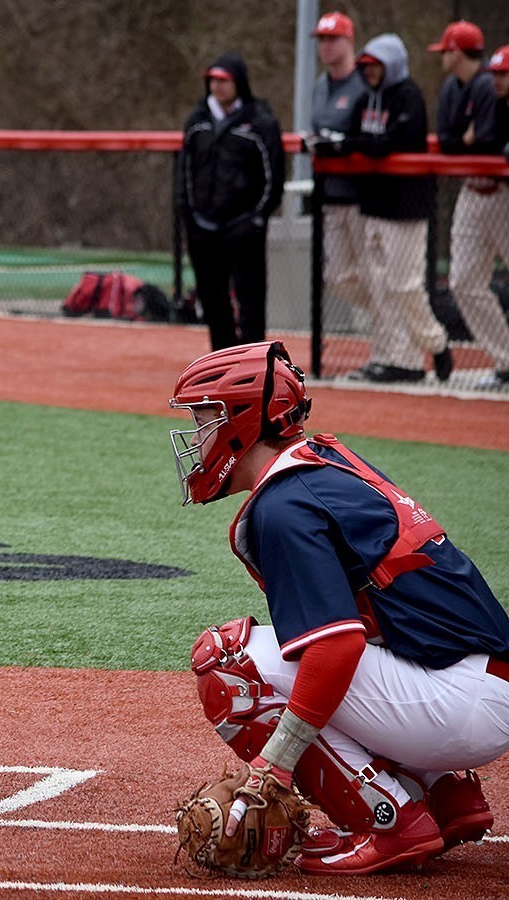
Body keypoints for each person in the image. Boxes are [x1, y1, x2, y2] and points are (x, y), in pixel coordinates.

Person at [169, 340, 509, 875]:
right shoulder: (323, 461)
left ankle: (390, 821)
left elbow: (337, 646)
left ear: (240, 421)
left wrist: (274, 765)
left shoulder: (283, 504)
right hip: (472, 682)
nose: (197, 436)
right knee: (330, 644)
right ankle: (444, 794)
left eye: (205, 419)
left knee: (230, 662)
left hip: (457, 701)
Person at [314, 34, 454, 383]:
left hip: (405, 207)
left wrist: (349, 144)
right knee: (379, 287)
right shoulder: (367, 97)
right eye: (365, 66)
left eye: (375, 66)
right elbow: (357, 138)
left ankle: (436, 343)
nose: (369, 72)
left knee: (403, 285)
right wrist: (338, 144)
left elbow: (389, 142)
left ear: (391, 65)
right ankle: (392, 357)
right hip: (372, 204)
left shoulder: (408, 96)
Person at [176, 53, 285, 351]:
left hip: (243, 227)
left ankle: (253, 361)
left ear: (239, 83)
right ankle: (222, 360)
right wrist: (189, 215)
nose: (217, 86)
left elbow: (273, 177)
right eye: (213, 80)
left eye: (224, 80)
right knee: (213, 300)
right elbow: (184, 172)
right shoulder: (197, 121)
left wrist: (256, 218)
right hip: (203, 227)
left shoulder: (260, 121)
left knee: (251, 300)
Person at [431, 23, 509, 390]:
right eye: (496, 73)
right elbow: (448, 140)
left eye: (503, 74)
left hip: (502, 193)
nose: (497, 80)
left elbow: (490, 138)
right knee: (463, 282)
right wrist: (468, 138)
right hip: (470, 191)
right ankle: (506, 361)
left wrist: (472, 138)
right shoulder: (452, 87)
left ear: (458, 52)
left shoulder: (486, 88)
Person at [306, 13, 376, 364]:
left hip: (362, 195)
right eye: (321, 39)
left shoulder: (364, 82)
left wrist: (342, 143)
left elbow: (368, 137)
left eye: (332, 39)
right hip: (331, 194)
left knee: (373, 271)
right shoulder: (321, 85)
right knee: (335, 276)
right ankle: (386, 312)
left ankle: (391, 349)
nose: (325, 46)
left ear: (349, 41)